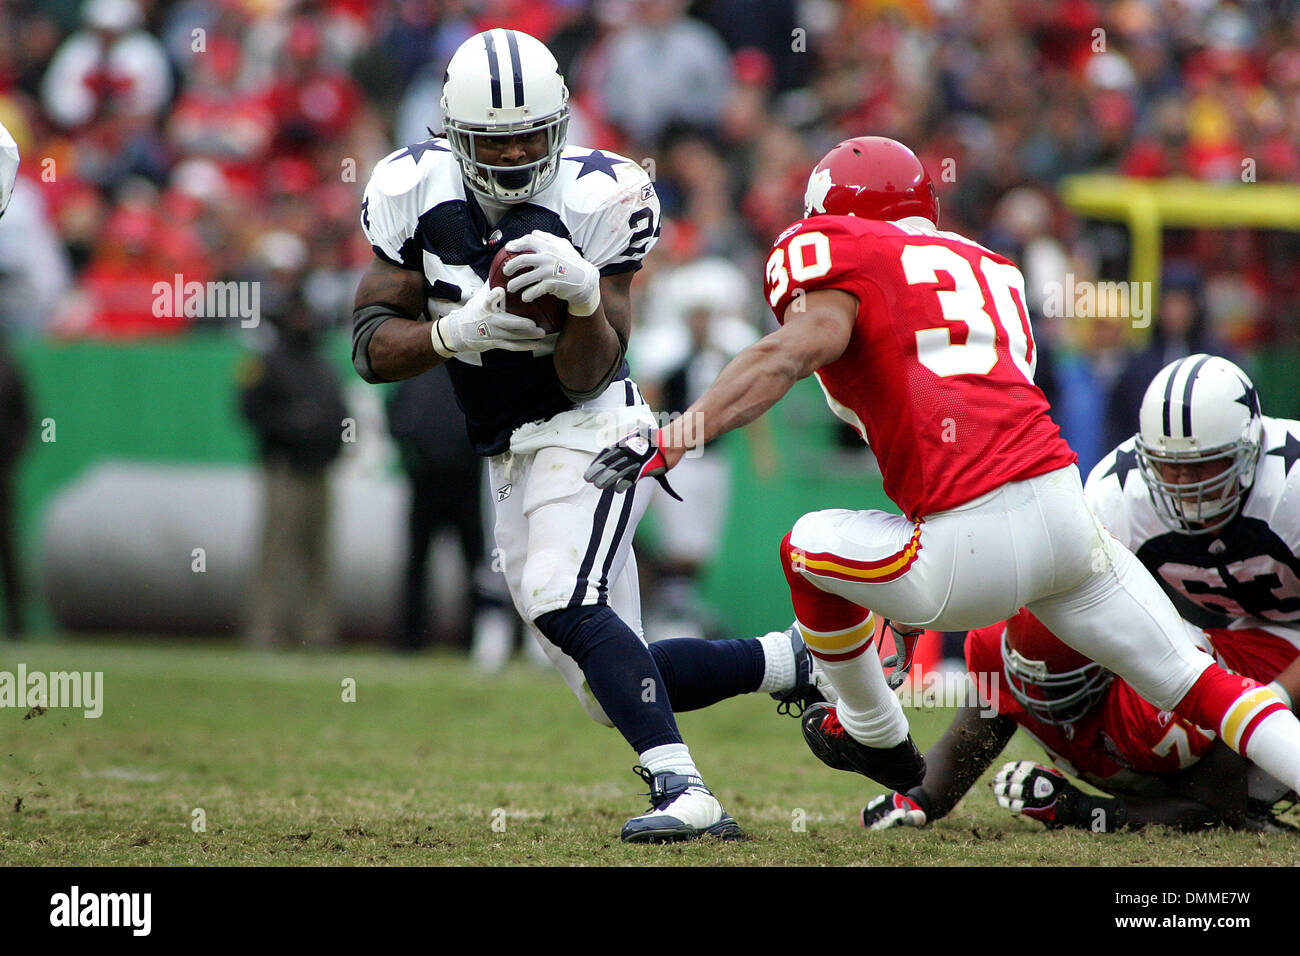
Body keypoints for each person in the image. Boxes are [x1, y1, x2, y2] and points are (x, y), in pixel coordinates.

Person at [586, 135, 1300, 809]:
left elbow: (790, 352)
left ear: (835, 215)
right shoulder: (990, 268)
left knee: (805, 548)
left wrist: (678, 435)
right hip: (1066, 520)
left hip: (967, 546)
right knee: (1206, 686)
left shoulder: (842, 251)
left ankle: (873, 732)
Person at [351, 29, 823, 843]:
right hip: (508, 448)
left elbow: (589, 372)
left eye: (531, 135)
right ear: (454, 135)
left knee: (559, 594)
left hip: (596, 426)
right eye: (495, 140)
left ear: (562, 122)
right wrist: (453, 333)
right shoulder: (409, 187)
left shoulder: (603, 195)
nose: (515, 154)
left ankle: (684, 790)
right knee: (607, 686)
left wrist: (582, 299)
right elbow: (369, 348)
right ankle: (792, 661)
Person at [860, 609, 1295, 834]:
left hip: (1277, 674)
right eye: (1028, 685)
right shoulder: (996, 650)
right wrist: (920, 799)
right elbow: (969, 742)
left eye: (1061, 689)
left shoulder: (1157, 695)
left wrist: (1081, 810)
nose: (1043, 704)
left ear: (1111, 666)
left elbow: (1219, 809)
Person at [1085, 355, 1300, 718]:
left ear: (1248, 449)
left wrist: (1276, 700)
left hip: (1283, 637)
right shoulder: (1117, 495)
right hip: (1257, 635)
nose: (1184, 482)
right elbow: (1083, 604)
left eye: (1202, 463)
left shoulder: (1291, 485)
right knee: (1173, 668)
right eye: (1169, 464)